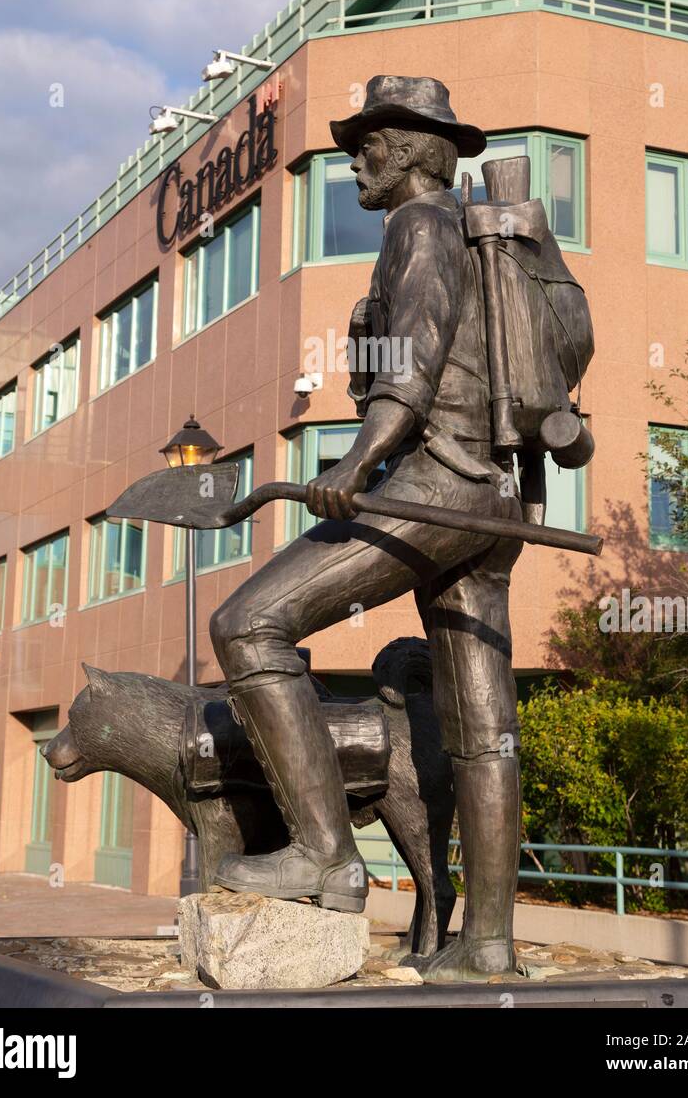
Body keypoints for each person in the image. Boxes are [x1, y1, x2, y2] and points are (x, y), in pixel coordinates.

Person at [210, 76, 524, 982]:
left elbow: (411, 367)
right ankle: (491, 947)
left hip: (438, 484)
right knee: (483, 723)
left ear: (419, 149)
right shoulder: (463, 232)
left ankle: (324, 852)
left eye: (372, 143)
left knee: (246, 624)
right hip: (493, 499)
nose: (358, 158)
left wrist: (354, 466)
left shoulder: (420, 228)